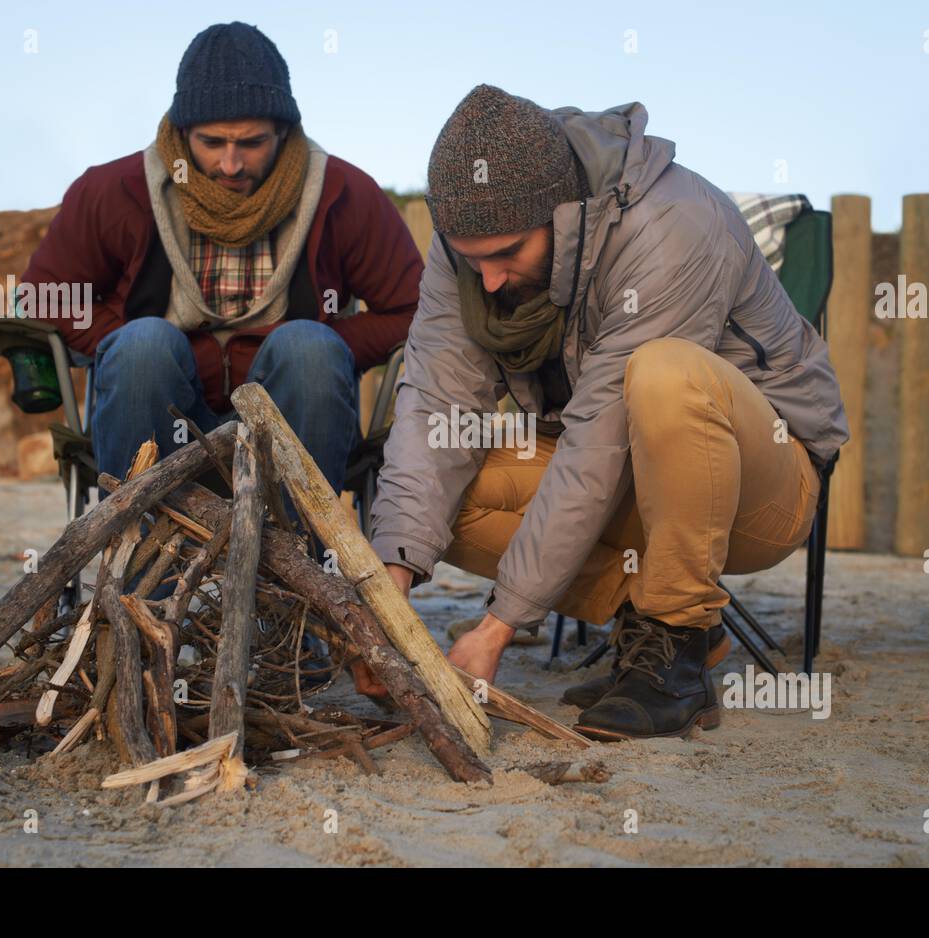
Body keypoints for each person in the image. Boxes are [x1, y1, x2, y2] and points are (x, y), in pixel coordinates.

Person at [361, 84, 850, 741]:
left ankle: (674, 650)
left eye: (509, 255)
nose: (493, 281)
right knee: (457, 494)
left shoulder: (673, 224)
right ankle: (659, 625)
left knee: (662, 375)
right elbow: (434, 407)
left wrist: (497, 627)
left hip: (763, 483)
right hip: (621, 472)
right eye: (475, 261)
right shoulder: (470, 251)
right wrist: (388, 590)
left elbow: (599, 440)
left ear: (563, 217)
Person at [20, 21, 423, 497]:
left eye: (252, 143)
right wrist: (125, 344)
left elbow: (416, 311)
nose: (230, 165)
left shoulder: (344, 192)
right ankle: (139, 554)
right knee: (144, 346)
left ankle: (301, 562)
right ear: (182, 130)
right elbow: (44, 295)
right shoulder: (114, 189)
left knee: (309, 350)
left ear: (283, 131)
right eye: (212, 143)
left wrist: (328, 344)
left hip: (289, 420)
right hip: (160, 417)